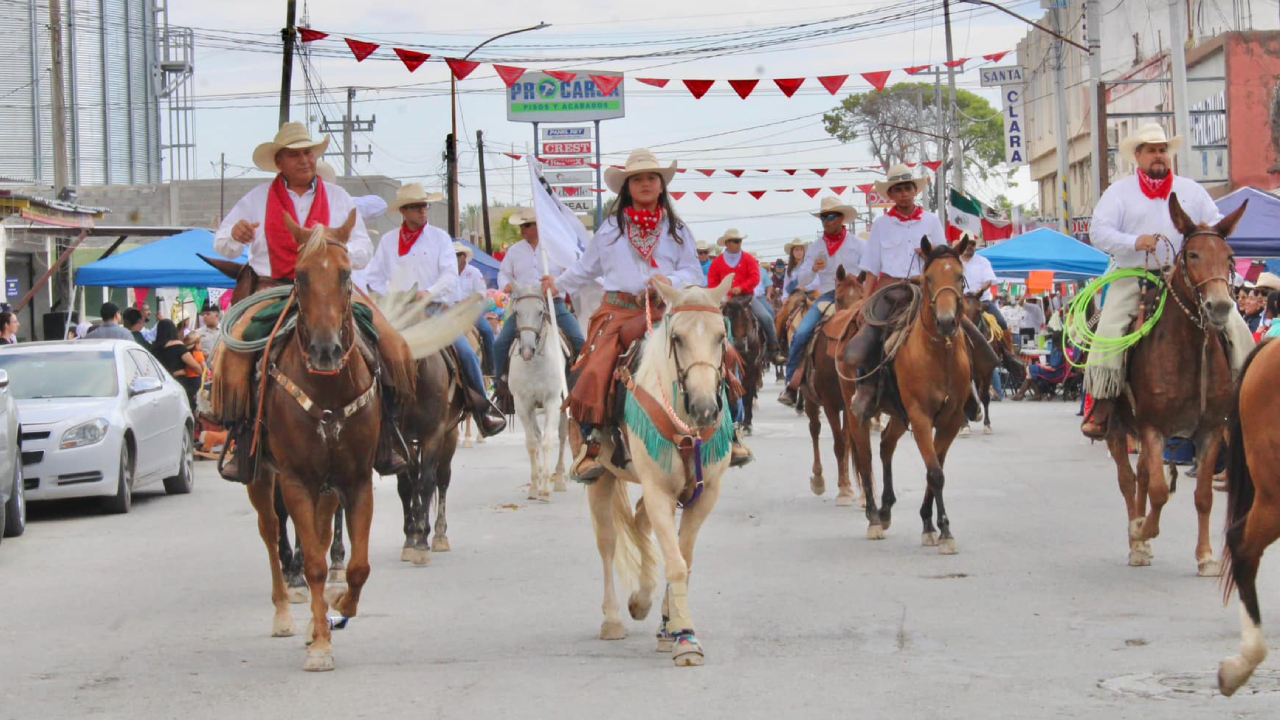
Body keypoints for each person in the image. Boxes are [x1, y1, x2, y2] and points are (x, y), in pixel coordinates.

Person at [212, 121, 415, 480]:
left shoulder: (339, 198)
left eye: (309, 152)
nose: (304, 159)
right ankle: (241, 441)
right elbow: (222, 243)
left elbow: (363, 248)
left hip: (330, 290)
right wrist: (236, 234)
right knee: (233, 350)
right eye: (295, 154)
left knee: (394, 344)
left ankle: (388, 435)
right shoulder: (256, 198)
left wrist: (335, 257)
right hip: (271, 288)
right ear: (280, 162)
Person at [542, 148, 746, 480]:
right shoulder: (609, 229)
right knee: (592, 365)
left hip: (669, 309)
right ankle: (591, 445)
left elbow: (693, 271)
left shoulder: (677, 230)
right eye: (638, 179)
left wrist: (671, 281)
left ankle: (732, 430)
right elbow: (585, 268)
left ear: (661, 185)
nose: (646, 184)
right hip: (620, 310)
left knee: (723, 353)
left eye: (652, 178)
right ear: (627, 187)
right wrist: (557, 284)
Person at [1081, 123, 1255, 439]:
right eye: (1152, 150)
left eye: (1162, 149)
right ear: (1138, 155)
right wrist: (1134, 241)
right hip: (1135, 276)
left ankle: (1245, 397)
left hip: (1189, 278)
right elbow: (1099, 232)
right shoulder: (1119, 192)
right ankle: (1103, 406)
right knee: (1109, 330)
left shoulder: (1192, 191)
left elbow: (1214, 228)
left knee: (1237, 328)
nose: (1159, 155)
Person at [362, 183, 505, 438]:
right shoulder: (387, 241)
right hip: (399, 314)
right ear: (403, 211)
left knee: (465, 352)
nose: (422, 211)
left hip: (435, 310)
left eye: (424, 206)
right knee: (369, 353)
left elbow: (450, 276)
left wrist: (429, 292)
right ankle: (375, 415)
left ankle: (483, 410)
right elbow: (373, 278)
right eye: (416, 207)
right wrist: (390, 295)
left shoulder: (439, 238)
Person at [843, 164, 948, 419]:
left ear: (915, 191)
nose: (904, 194)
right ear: (891, 195)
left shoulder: (932, 221)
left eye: (908, 188)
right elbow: (870, 270)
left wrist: (929, 254)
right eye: (898, 190)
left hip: (926, 287)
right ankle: (866, 388)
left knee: (959, 324)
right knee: (871, 333)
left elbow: (944, 260)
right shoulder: (881, 225)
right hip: (890, 289)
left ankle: (971, 389)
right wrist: (864, 304)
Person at [778, 196, 865, 406]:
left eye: (831, 216)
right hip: (828, 296)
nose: (827, 220)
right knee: (801, 332)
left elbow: (870, 269)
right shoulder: (816, 247)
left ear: (841, 218)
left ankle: (876, 380)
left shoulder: (858, 244)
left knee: (876, 331)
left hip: (856, 298)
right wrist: (814, 270)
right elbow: (803, 278)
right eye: (823, 217)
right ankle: (791, 384)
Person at [492, 207, 585, 394]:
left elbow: (569, 273)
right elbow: (503, 273)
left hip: (553, 304)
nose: (522, 230)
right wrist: (506, 285)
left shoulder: (555, 248)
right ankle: (500, 382)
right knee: (500, 343)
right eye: (521, 226)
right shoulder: (514, 251)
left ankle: (580, 383)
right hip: (525, 306)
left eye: (527, 225)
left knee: (579, 341)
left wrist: (557, 284)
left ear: (538, 225)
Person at [706, 229, 786, 364]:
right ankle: (706, 353)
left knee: (766, 317)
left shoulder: (748, 259)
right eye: (735, 241)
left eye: (739, 241)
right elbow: (712, 282)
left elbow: (755, 277)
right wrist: (722, 294)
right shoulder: (717, 263)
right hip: (725, 300)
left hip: (746, 298)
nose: (738, 244)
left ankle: (774, 350)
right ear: (727, 243)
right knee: (708, 322)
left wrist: (742, 288)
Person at [453, 242, 496, 376]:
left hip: (471, 311)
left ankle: (491, 368)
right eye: (452, 255)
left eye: (457, 255)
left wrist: (467, 302)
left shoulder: (474, 272)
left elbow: (481, 292)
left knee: (487, 331)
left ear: (464, 257)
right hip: (450, 311)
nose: (454, 257)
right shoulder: (446, 273)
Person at [152, 319, 203, 409]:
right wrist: (200, 370)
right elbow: (194, 365)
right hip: (180, 382)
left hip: (163, 384)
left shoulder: (154, 349)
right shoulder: (178, 345)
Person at [960, 239, 1007, 332]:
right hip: (961, 302)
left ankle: (1007, 346)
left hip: (981, 301)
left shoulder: (983, 261)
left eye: (972, 244)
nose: (969, 246)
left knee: (1002, 323)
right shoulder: (955, 262)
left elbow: (989, 280)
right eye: (966, 243)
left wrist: (980, 291)